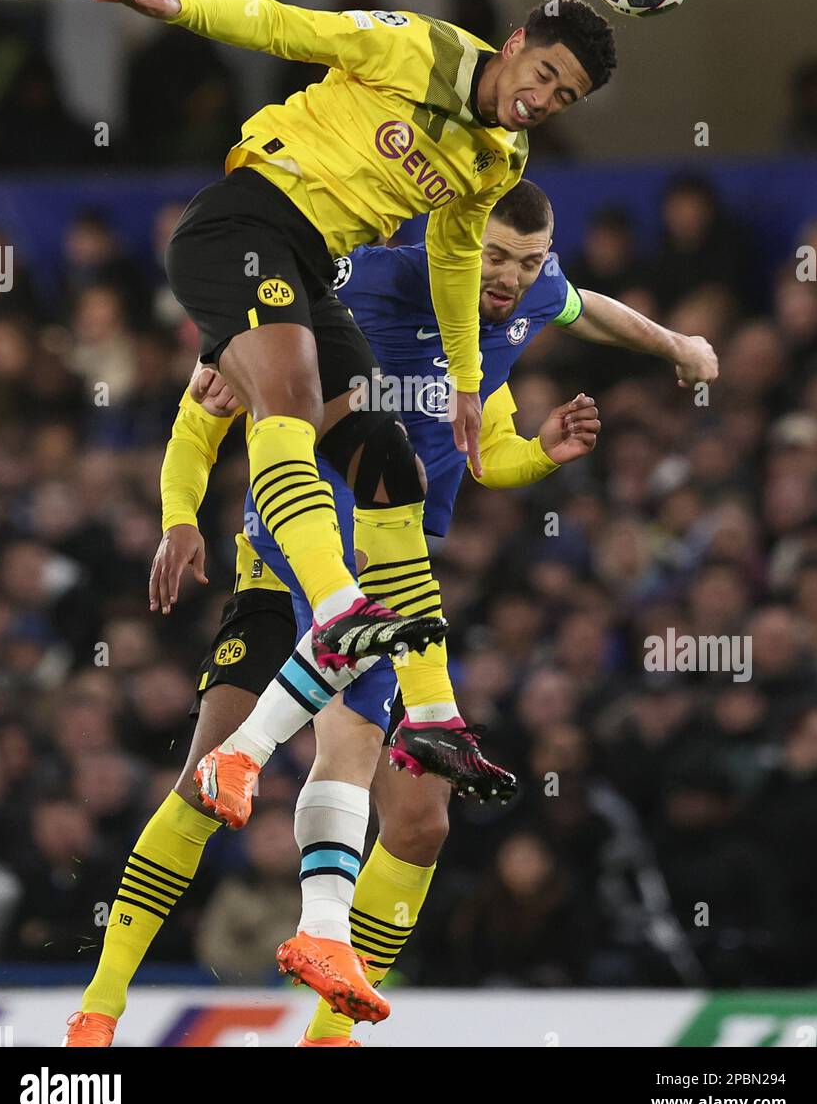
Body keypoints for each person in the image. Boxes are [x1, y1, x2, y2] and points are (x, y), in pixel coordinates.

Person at [65, 182, 718, 1045]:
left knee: (420, 819)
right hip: (288, 561)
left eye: (529, 263)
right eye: (494, 257)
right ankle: (101, 1009)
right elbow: (205, 398)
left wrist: (585, 419)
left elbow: (579, 325)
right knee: (234, 768)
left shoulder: (518, 313)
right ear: (453, 243)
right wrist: (182, 513)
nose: (513, 280)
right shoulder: (357, 279)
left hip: (395, 568)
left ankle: (327, 1022)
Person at [89, 0, 617, 773]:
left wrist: (470, 382)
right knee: (290, 395)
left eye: (566, 95)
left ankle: (435, 714)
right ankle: (338, 606)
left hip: (308, 267)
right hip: (245, 219)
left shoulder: (498, 158)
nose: (546, 98)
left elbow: (452, 256)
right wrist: (182, 8)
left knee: (387, 460)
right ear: (515, 46)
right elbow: (288, 28)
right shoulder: (416, 45)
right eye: (545, 74)